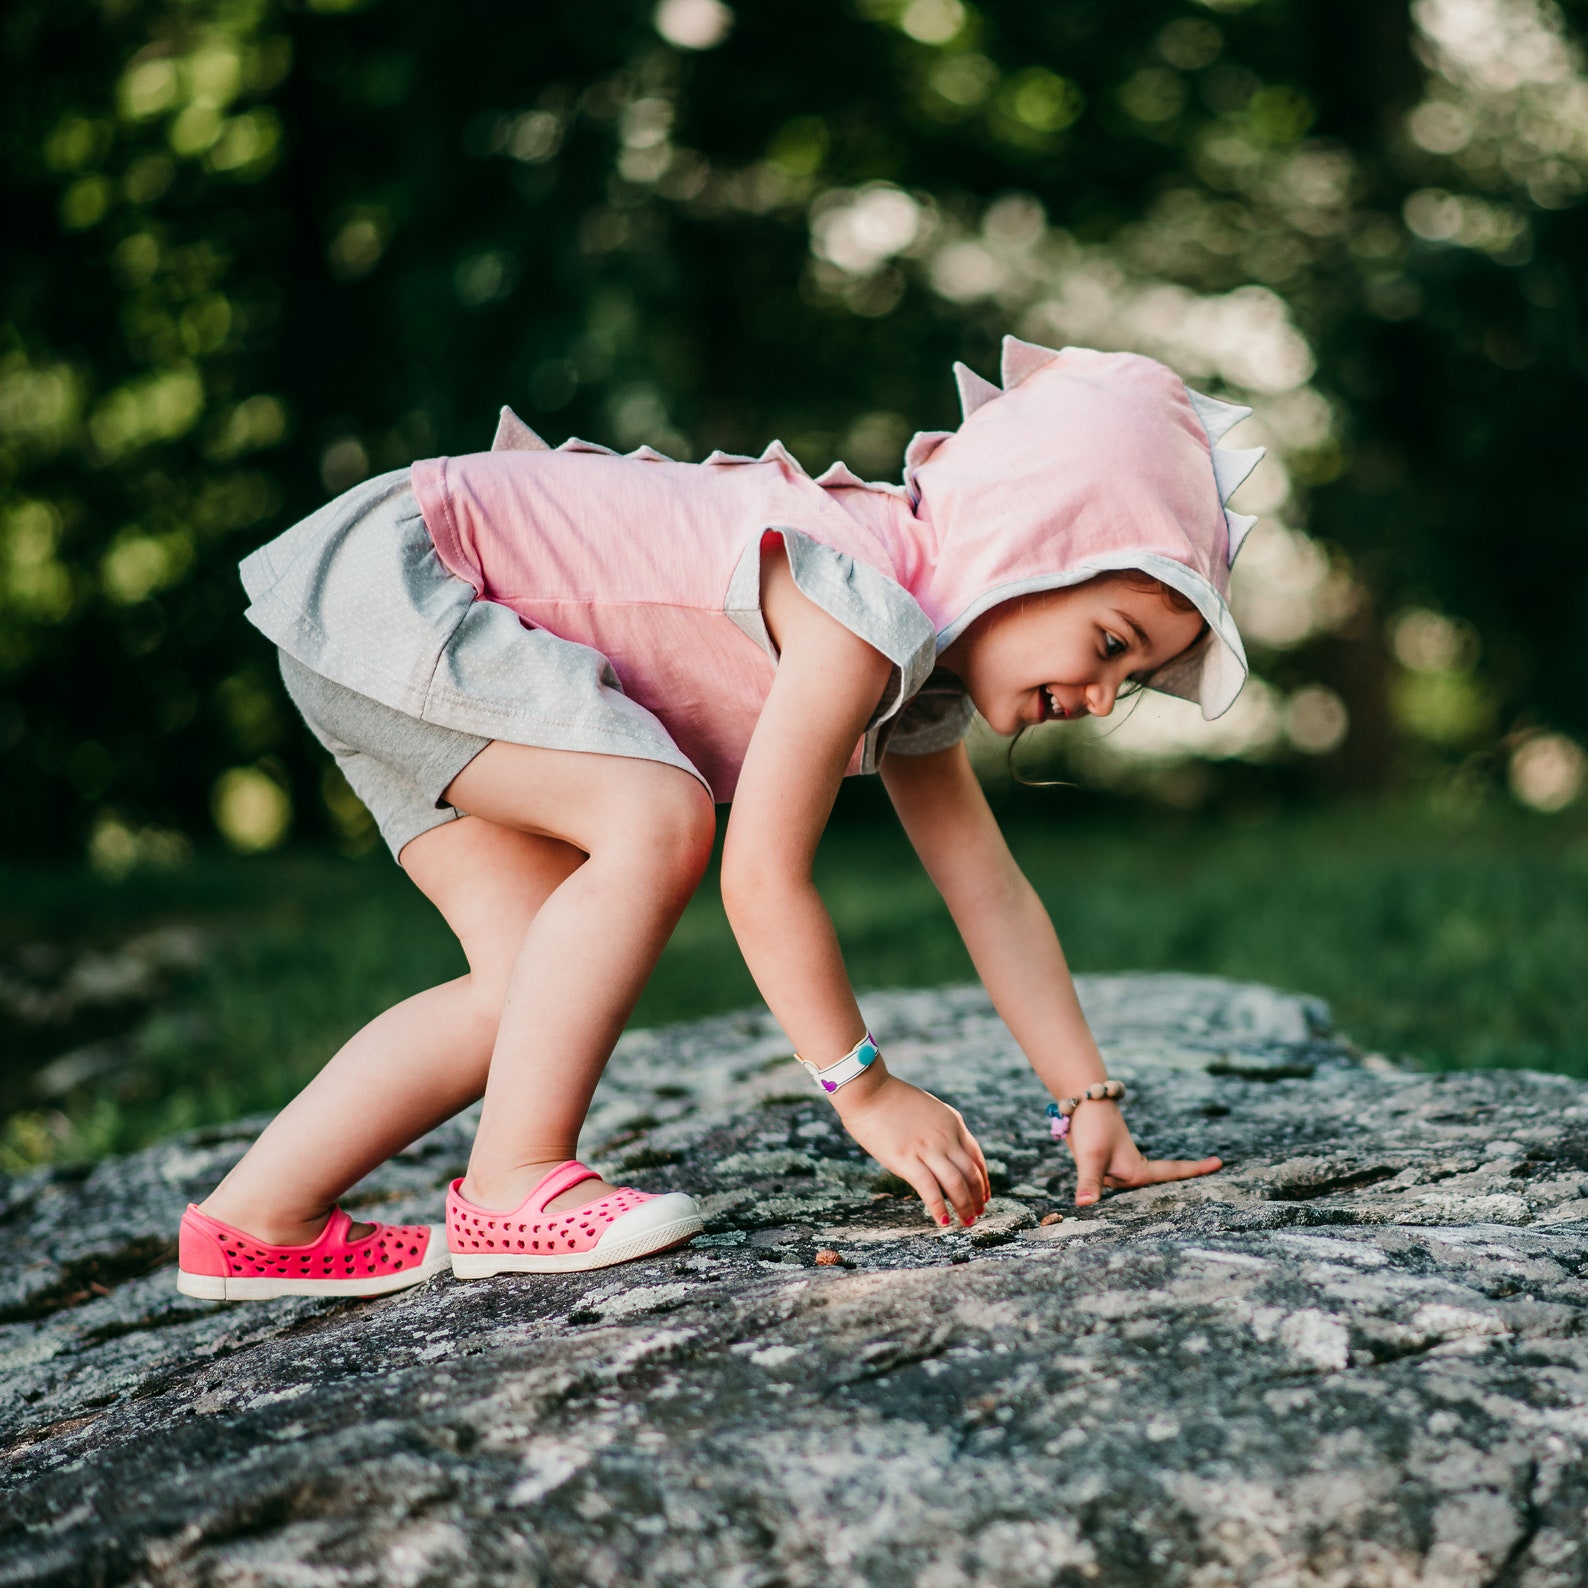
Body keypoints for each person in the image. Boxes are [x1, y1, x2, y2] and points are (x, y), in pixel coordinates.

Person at [176, 338, 1262, 1301]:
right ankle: (513, 1184)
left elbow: (988, 890)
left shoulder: (915, 672)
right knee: (657, 816)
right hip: (415, 579)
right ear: (1030, 551)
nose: (1105, 697)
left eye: (1137, 679)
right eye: (1112, 643)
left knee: (528, 978)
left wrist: (1087, 1104)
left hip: (385, 615)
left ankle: (256, 1220)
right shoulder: (858, 604)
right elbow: (761, 876)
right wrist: (866, 1090)